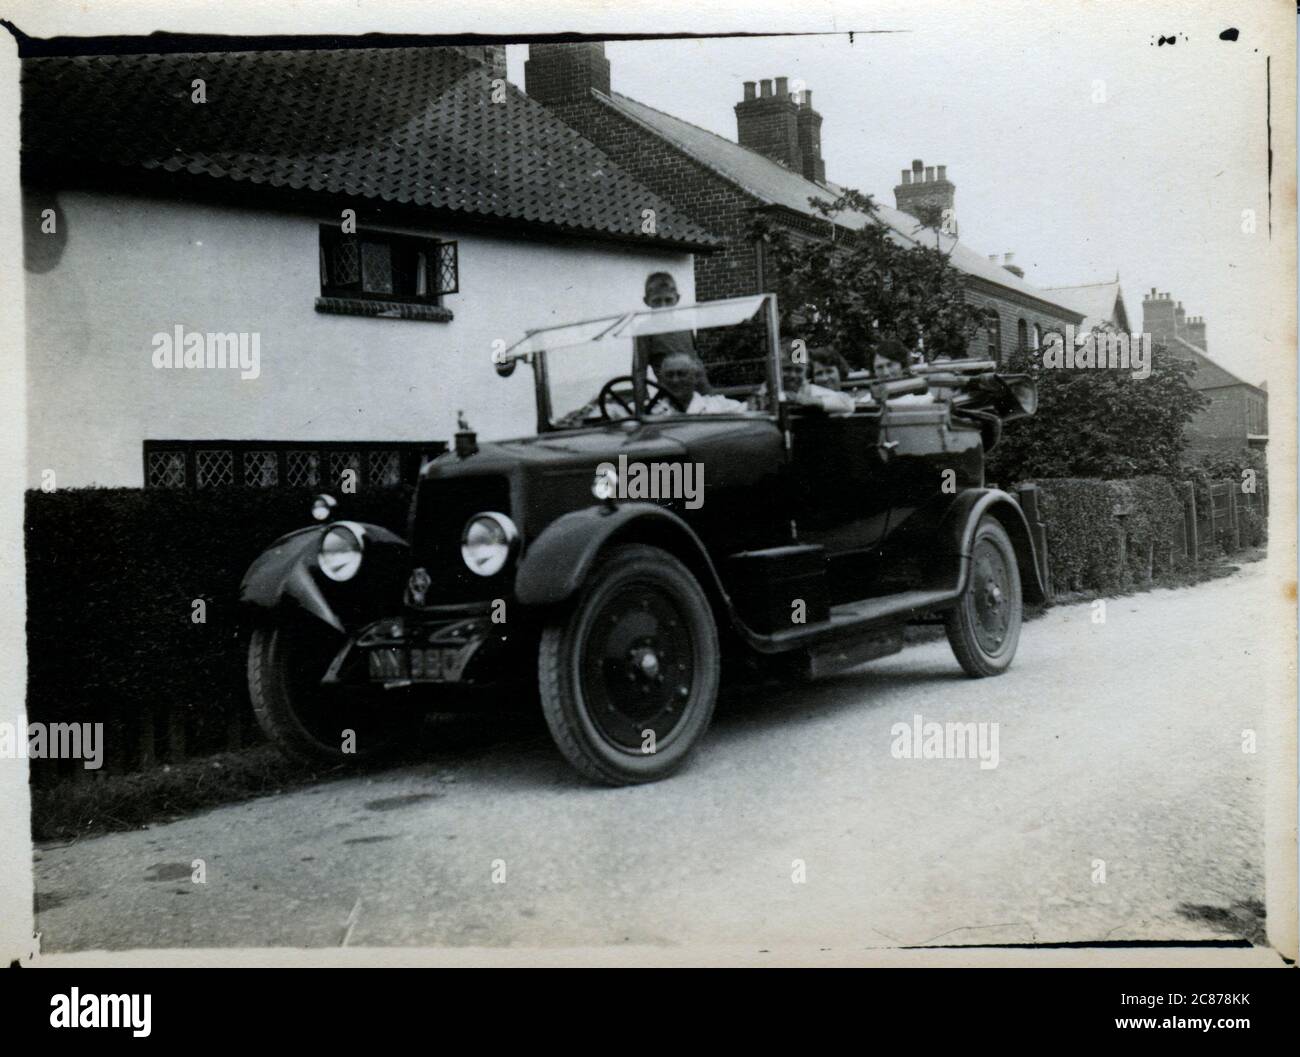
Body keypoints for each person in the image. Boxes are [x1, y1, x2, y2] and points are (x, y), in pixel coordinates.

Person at [634, 272, 714, 393]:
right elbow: (639, 371)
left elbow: (696, 363)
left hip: (694, 393)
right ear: (646, 301)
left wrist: (709, 395)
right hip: (670, 394)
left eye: (668, 300)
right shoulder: (644, 329)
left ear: (677, 299)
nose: (663, 306)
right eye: (657, 301)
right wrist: (642, 408)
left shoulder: (685, 326)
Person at [653, 351, 747, 415]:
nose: (675, 380)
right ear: (662, 380)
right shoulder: (654, 413)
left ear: (695, 377)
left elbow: (750, 411)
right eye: (669, 375)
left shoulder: (717, 406)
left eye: (682, 374)